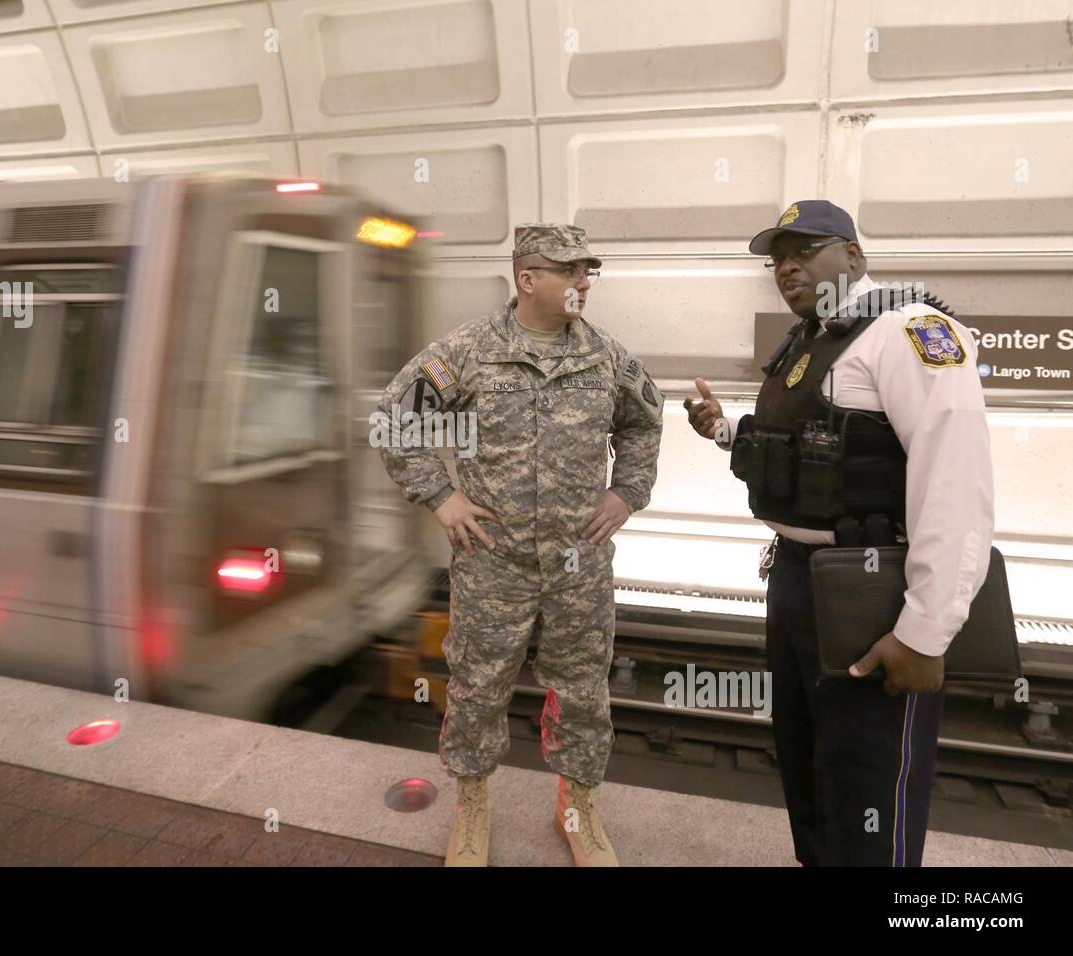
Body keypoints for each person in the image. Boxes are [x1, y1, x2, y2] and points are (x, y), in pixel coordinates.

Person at [685, 200, 994, 866]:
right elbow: (815, 451)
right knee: (810, 764)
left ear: (853, 255)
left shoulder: (911, 332)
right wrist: (725, 431)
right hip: (799, 583)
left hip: (871, 592)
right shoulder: (811, 341)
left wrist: (924, 632)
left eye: (805, 250)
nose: (787, 267)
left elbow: (956, 485)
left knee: (866, 782)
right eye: (778, 258)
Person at [376, 223, 663, 866]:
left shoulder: (606, 357)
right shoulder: (469, 351)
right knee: (478, 687)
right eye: (569, 271)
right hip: (492, 563)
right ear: (527, 279)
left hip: (578, 564)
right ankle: (472, 808)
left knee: (582, 689)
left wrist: (628, 491)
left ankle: (576, 811)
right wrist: (440, 497)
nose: (582, 282)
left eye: (588, 271)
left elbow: (645, 422)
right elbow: (398, 416)